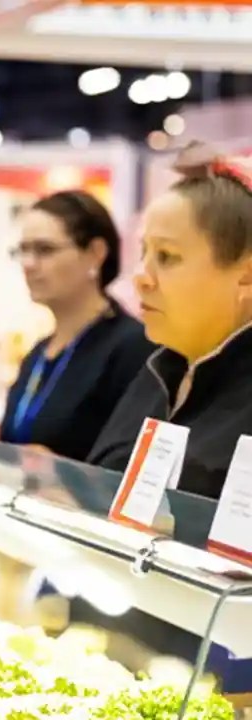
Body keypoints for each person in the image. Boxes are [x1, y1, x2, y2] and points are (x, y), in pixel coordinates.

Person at [88, 143, 252, 499]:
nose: (141, 277)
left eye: (167, 256)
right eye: (144, 253)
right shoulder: (157, 370)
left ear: (247, 276)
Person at [0, 190, 155, 461]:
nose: (28, 264)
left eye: (45, 250)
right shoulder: (38, 353)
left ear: (96, 253)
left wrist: (64, 475)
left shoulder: (133, 347)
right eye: (23, 250)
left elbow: (130, 464)